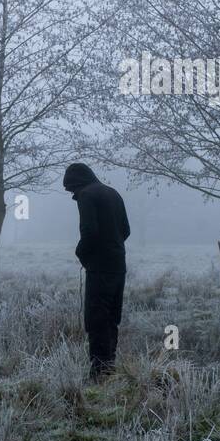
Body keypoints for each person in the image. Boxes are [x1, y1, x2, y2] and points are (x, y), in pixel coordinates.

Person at [63, 162, 130, 380]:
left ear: (76, 183)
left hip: (100, 267)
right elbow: (126, 230)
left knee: (96, 318)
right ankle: (109, 366)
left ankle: (98, 372)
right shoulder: (113, 193)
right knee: (112, 316)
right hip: (119, 263)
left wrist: (82, 253)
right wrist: (112, 247)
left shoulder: (87, 195)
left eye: (71, 189)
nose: (73, 193)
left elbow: (89, 232)